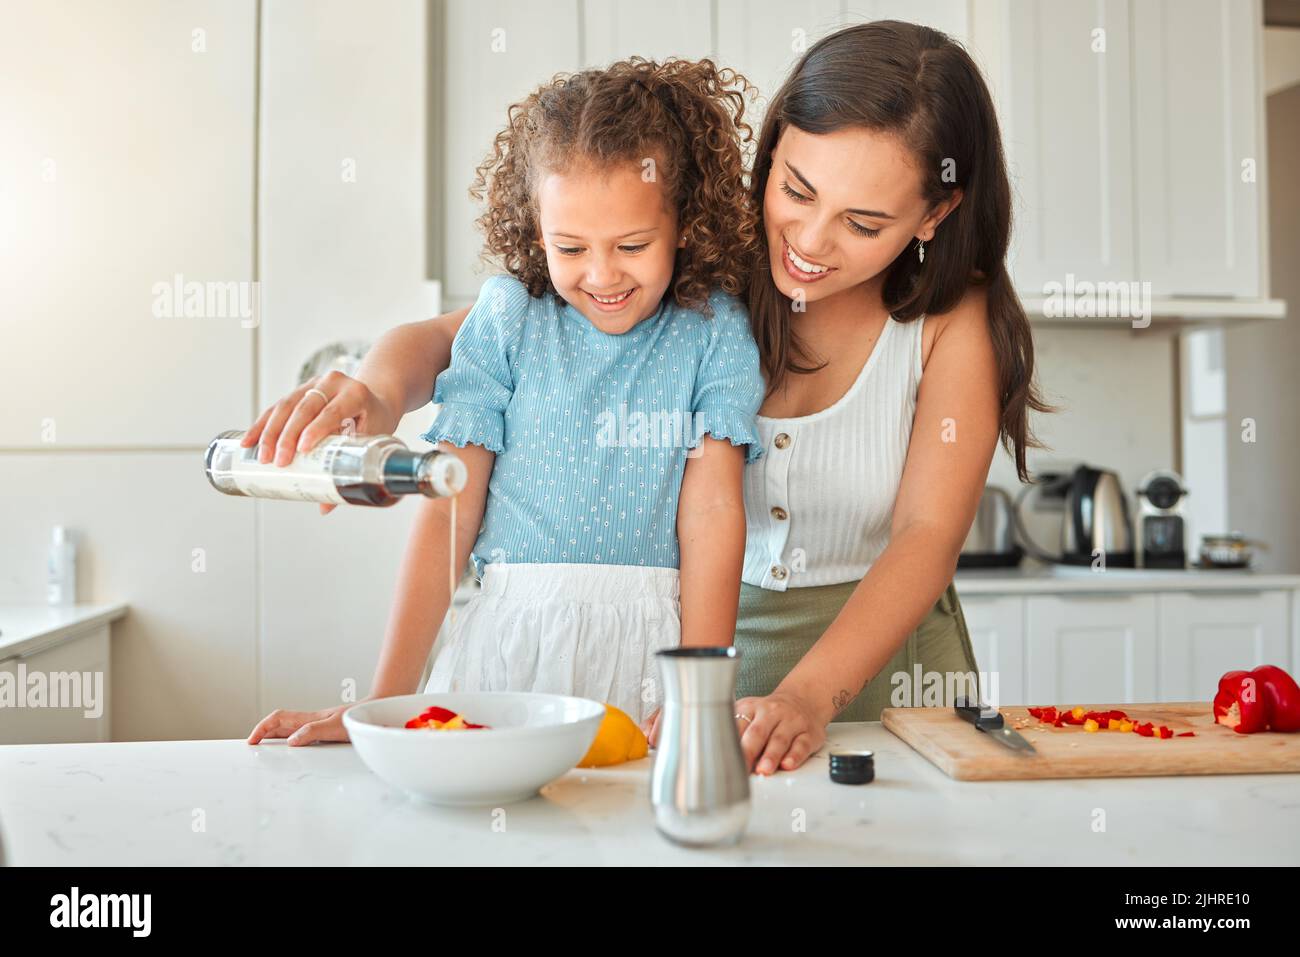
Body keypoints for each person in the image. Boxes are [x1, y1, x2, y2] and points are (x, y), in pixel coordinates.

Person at [248, 22, 1050, 775]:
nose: (807, 242)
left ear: (935, 211)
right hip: (712, 665)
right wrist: (374, 388)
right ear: (769, 156)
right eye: (796, 190)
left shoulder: (952, 321)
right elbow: (464, 335)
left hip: (888, 673)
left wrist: (809, 694)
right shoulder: (689, 263)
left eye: (862, 223)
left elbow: (924, 535)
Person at [248, 57, 764, 743]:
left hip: (649, 660)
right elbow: (448, 512)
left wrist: (698, 690)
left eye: (633, 245)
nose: (602, 273)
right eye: (570, 246)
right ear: (535, 228)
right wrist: (382, 700)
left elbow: (713, 512)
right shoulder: (508, 321)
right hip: (502, 652)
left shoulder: (712, 332)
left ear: (684, 224)